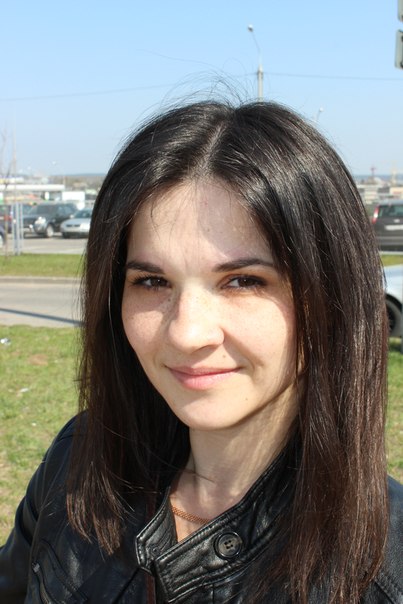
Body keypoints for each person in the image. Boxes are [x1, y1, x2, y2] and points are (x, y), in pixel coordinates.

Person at [0, 100, 402, 604]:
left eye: (243, 280)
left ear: (332, 296)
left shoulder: (385, 574)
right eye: (152, 281)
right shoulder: (80, 459)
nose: (186, 333)